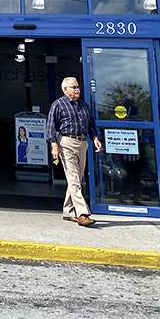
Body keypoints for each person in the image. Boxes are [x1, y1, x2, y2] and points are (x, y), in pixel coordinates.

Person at [46, 77, 103, 227]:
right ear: (65, 90)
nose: (77, 89)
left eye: (78, 87)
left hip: (82, 143)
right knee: (74, 179)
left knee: (77, 178)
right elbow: (50, 127)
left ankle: (68, 211)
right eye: (73, 87)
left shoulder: (84, 105)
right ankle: (83, 213)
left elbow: (91, 124)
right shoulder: (58, 105)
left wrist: (95, 137)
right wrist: (54, 146)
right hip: (66, 143)